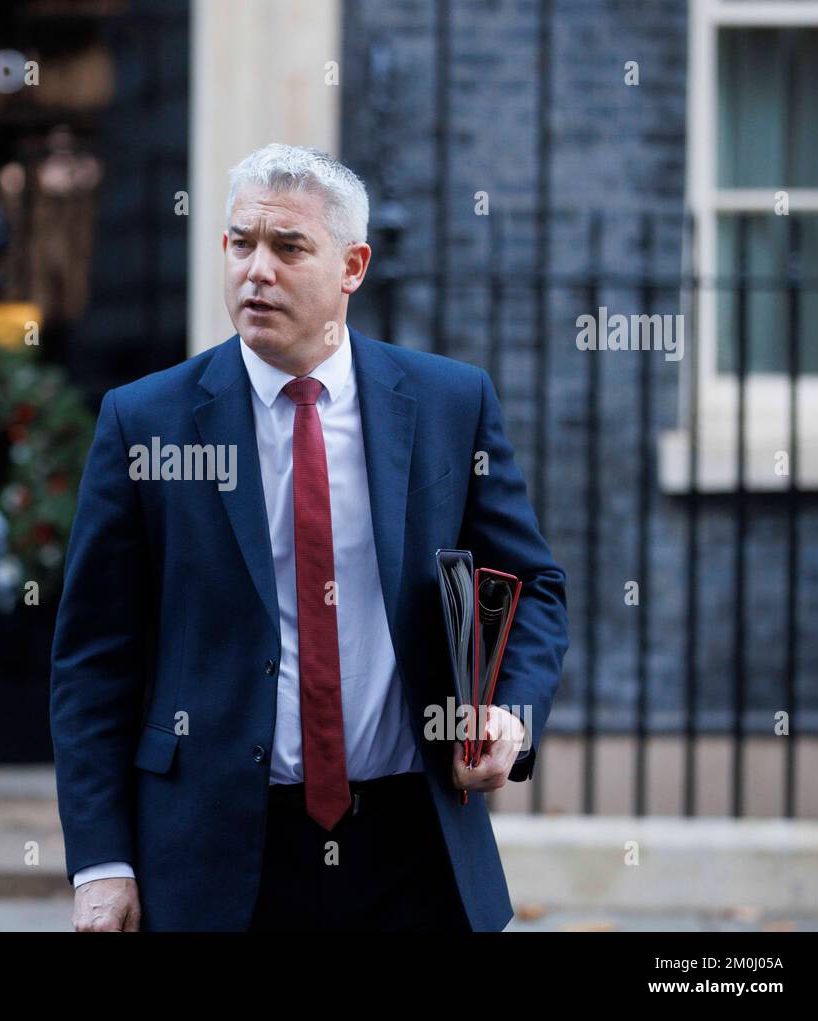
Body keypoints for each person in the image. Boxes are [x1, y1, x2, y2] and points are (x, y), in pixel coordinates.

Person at [49, 142, 568, 932]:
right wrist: (101, 860)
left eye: (288, 247)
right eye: (240, 243)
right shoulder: (144, 420)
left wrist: (512, 715)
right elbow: (93, 657)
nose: (256, 269)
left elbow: (533, 585)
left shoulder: (449, 403)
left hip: (414, 845)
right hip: (214, 854)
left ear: (352, 266)